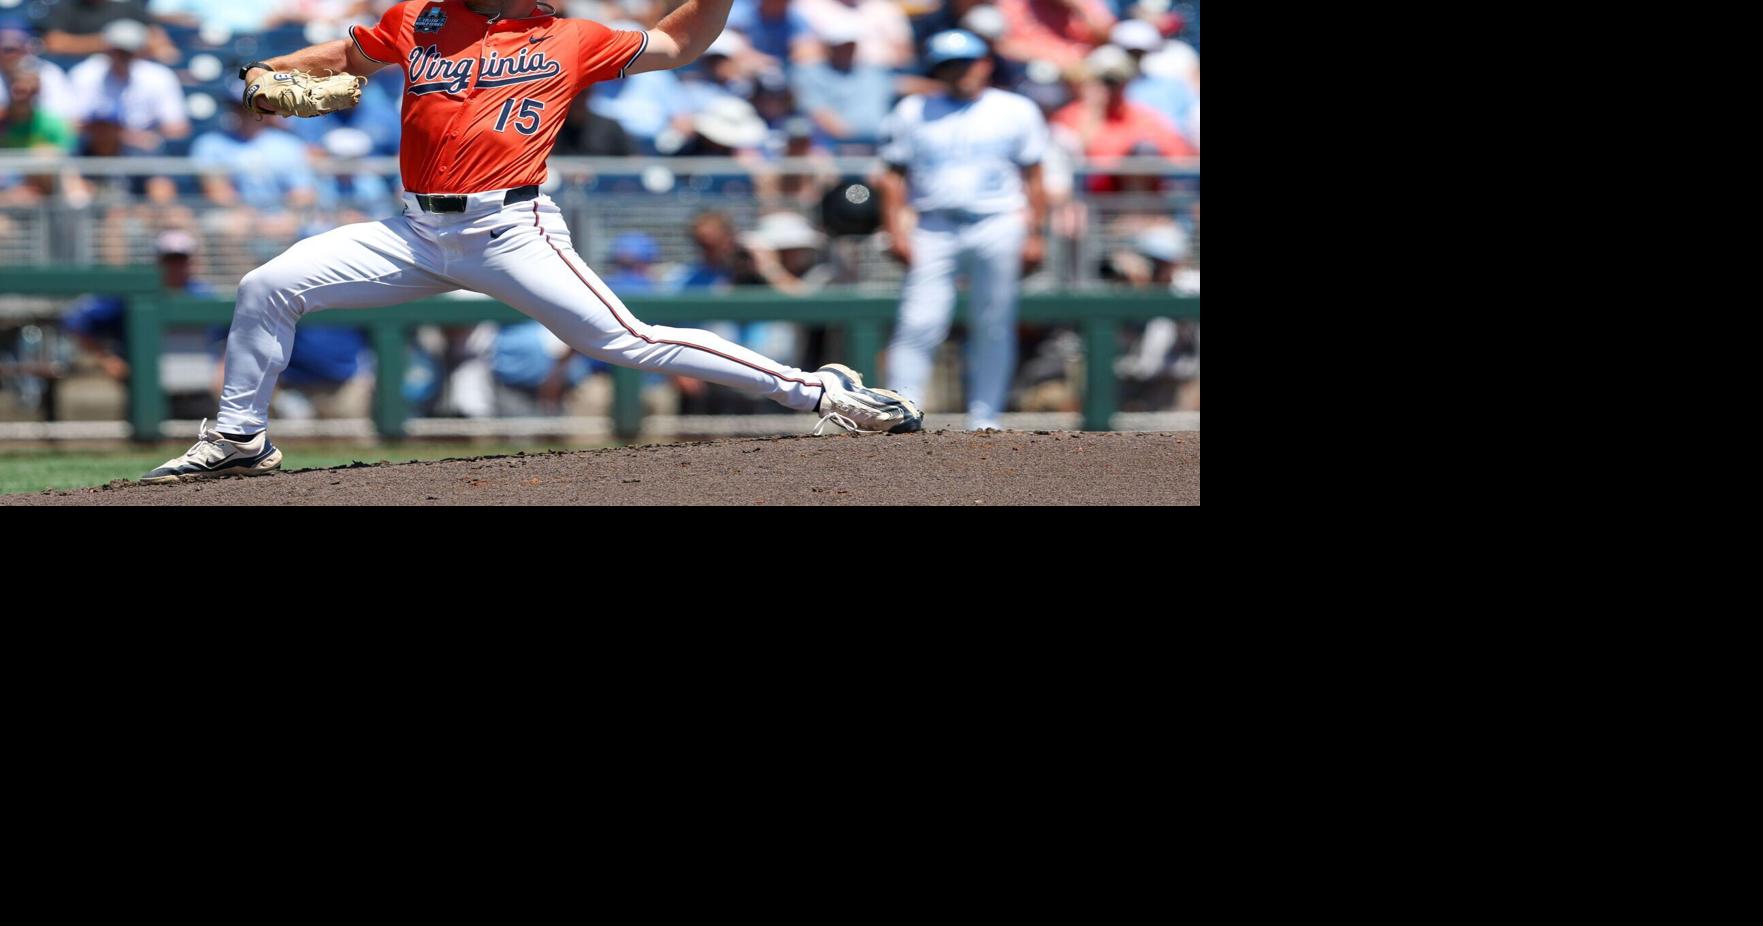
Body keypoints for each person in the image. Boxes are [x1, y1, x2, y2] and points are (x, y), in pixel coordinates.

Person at [144, 0, 920, 483]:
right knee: (266, 286)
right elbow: (351, 57)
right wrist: (271, 68)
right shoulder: (424, 16)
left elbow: (677, 45)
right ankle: (240, 438)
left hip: (510, 226)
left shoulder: (568, 36)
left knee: (625, 340)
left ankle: (822, 392)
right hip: (413, 228)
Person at [877, 29, 1046, 431]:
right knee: (919, 321)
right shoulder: (913, 110)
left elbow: (1035, 175)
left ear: (984, 63)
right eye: (948, 65)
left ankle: (985, 417)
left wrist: (1036, 231)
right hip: (934, 224)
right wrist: (894, 231)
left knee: (993, 323)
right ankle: (902, 414)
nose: (958, 72)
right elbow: (892, 178)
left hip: (998, 220)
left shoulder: (1016, 109)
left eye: (965, 62)